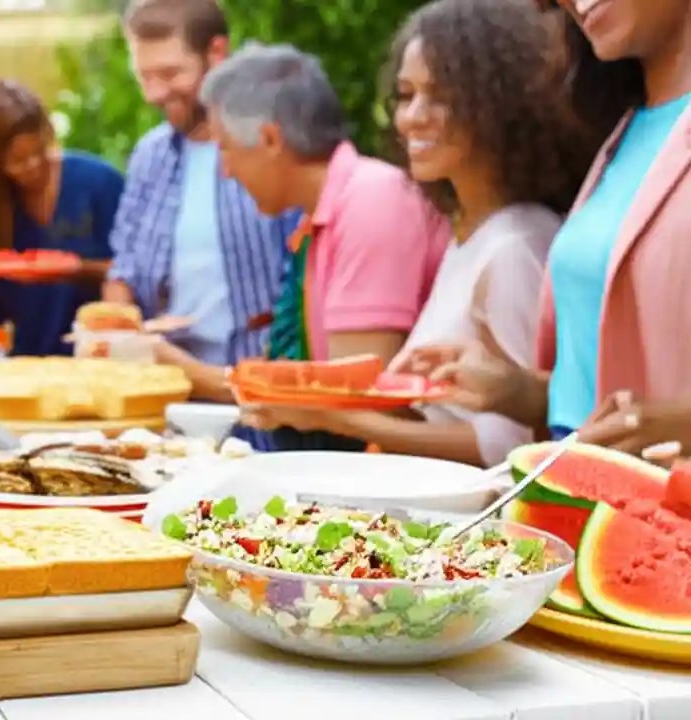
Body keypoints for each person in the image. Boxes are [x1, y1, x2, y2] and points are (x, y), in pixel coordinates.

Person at [239, 0, 595, 466]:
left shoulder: (516, 245)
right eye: (407, 95)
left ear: (500, 103)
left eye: (442, 95)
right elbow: (436, 414)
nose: (413, 117)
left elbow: (512, 450)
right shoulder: (468, 231)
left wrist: (331, 418)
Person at [407, 0, 691, 459]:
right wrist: (517, 390)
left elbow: (649, 417)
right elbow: (595, 404)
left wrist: (680, 422)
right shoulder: (624, 130)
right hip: (575, 502)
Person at [191, 42, 450, 451]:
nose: (225, 170)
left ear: (271, 139)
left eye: (224, 148)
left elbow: (356, 395)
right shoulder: (322, 213)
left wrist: (189, 373)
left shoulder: (371, 200)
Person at [103, 0, 297, 388]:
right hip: (167, 394)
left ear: (217, 53)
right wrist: (115, 327)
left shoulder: (276, 149)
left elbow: (306, 284)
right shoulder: (150, 157)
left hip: (261, 395)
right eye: (144, 77)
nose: (154, 93)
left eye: (170, 73)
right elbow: (123, 271)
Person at [0, 79, 124, 356]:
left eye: (39, 152)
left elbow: (136, 274)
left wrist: (78, 269)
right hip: (23, 368)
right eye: (17, 161)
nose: (33, 167)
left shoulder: (99, 185)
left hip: (94, 360)